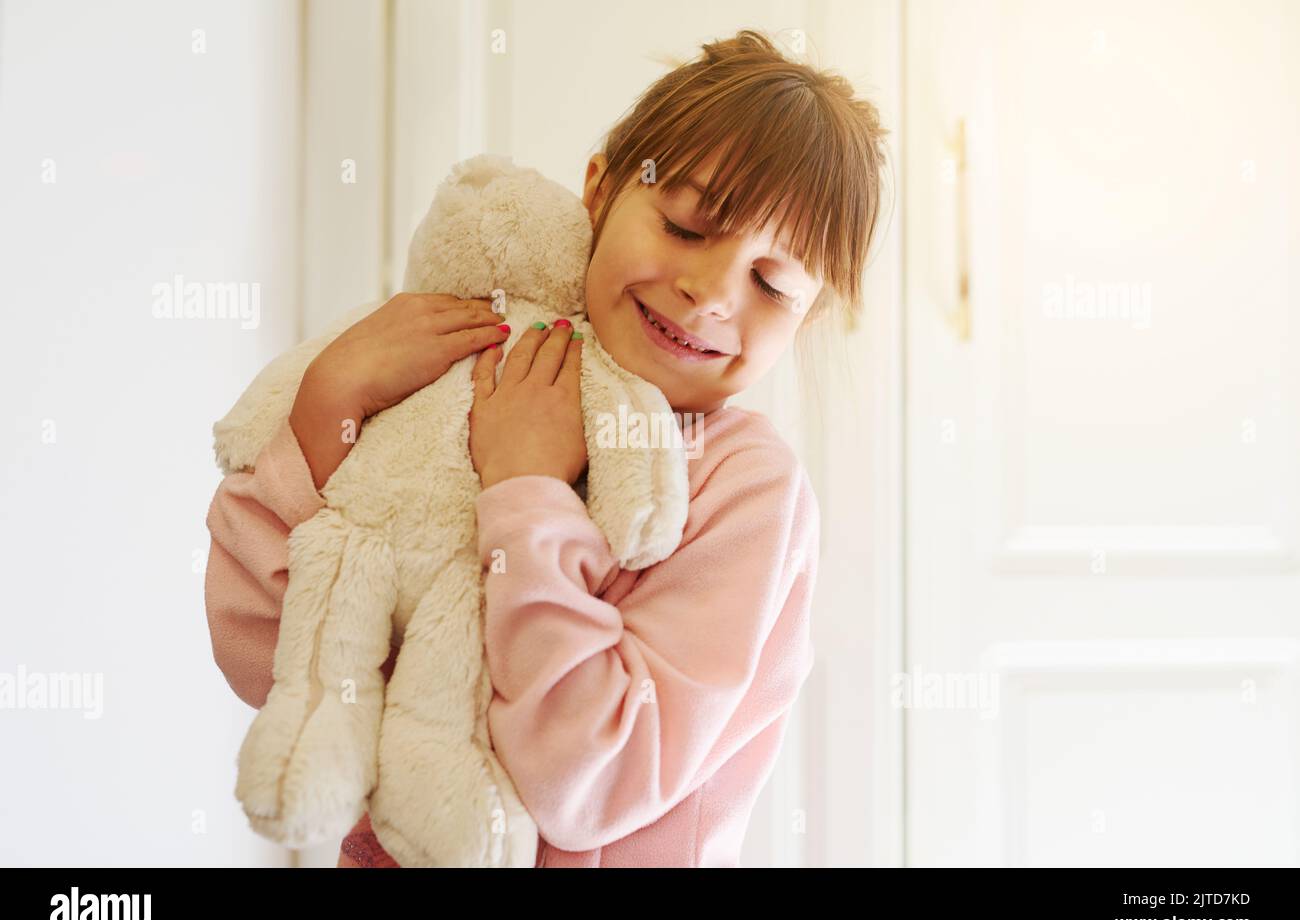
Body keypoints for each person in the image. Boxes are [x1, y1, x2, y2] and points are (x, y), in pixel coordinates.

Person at [204, 28, 888, 867]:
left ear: (806, 317)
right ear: (599, 193)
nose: (710, 292)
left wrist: (527, 490)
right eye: (683, 226)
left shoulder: (744, 488)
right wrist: (326, 407)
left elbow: (587, 783)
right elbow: (255, 654)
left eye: (772, 284)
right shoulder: (457, 366)